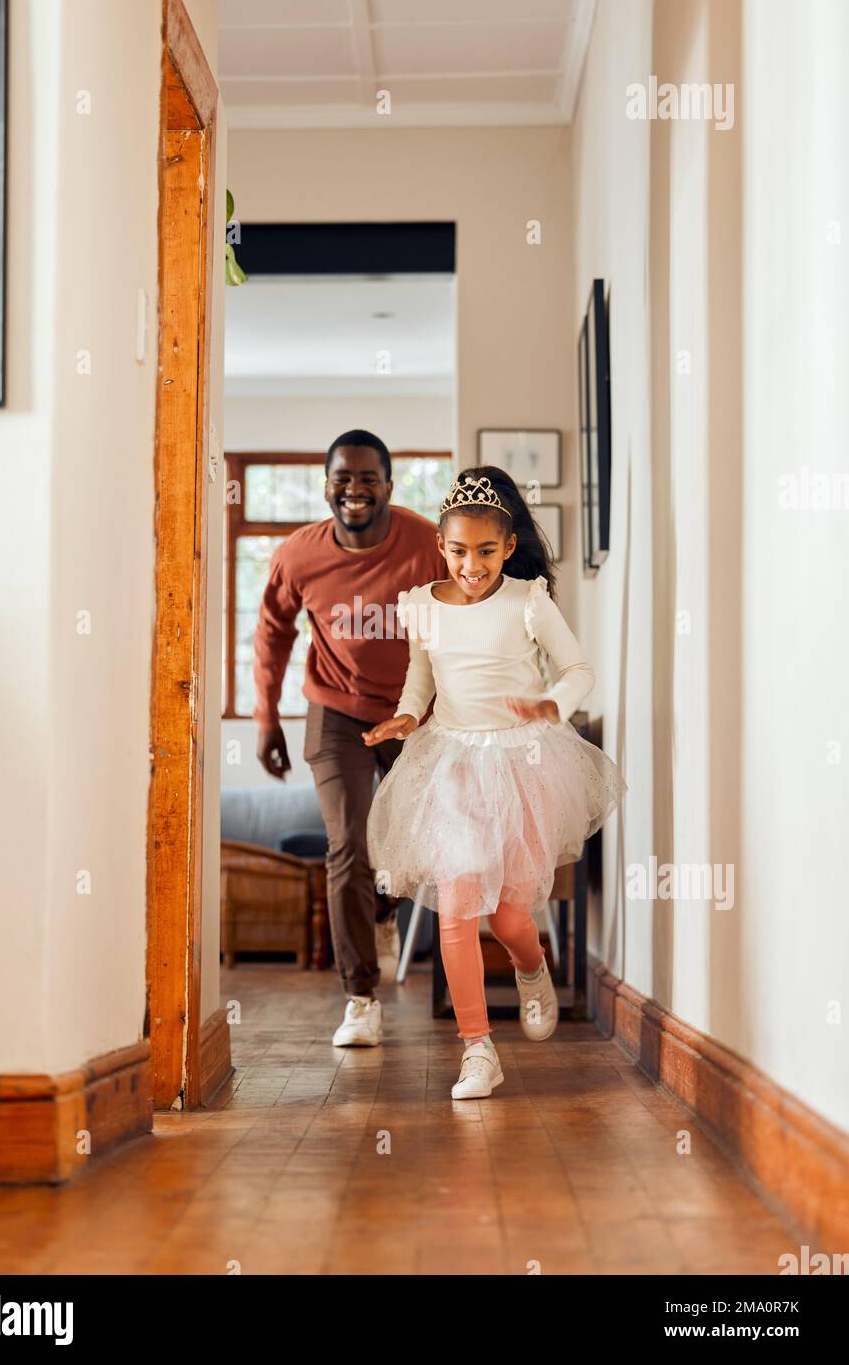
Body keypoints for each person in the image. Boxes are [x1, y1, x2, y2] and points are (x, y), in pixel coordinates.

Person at [363, 467, 627, 1099]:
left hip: (526, 764)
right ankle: (478, 1048)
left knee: (510, 916)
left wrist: (551, 706)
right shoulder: (422, 606)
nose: (471, 565)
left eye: (485, 551)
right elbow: (419, 683)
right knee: (455, 912)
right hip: (450, 762)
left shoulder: (529, 600)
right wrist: (406, 714)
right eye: (458, 551)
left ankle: (531, 966)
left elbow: (579, 670)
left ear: (508, 547)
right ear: (441, 547)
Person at [253, 430, 446, 1047]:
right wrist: (265, 719)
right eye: (343, 477)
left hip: (415, 711)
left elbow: (465, 620)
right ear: (326, 484)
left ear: (389, 485)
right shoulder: (299, 554)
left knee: (414, 845)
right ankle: (360, 998)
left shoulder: (425, 545)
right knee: (347, 848)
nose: (355, 490)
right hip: (335, 713)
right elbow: (273, 633)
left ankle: (385, 910)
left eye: (369, 478)